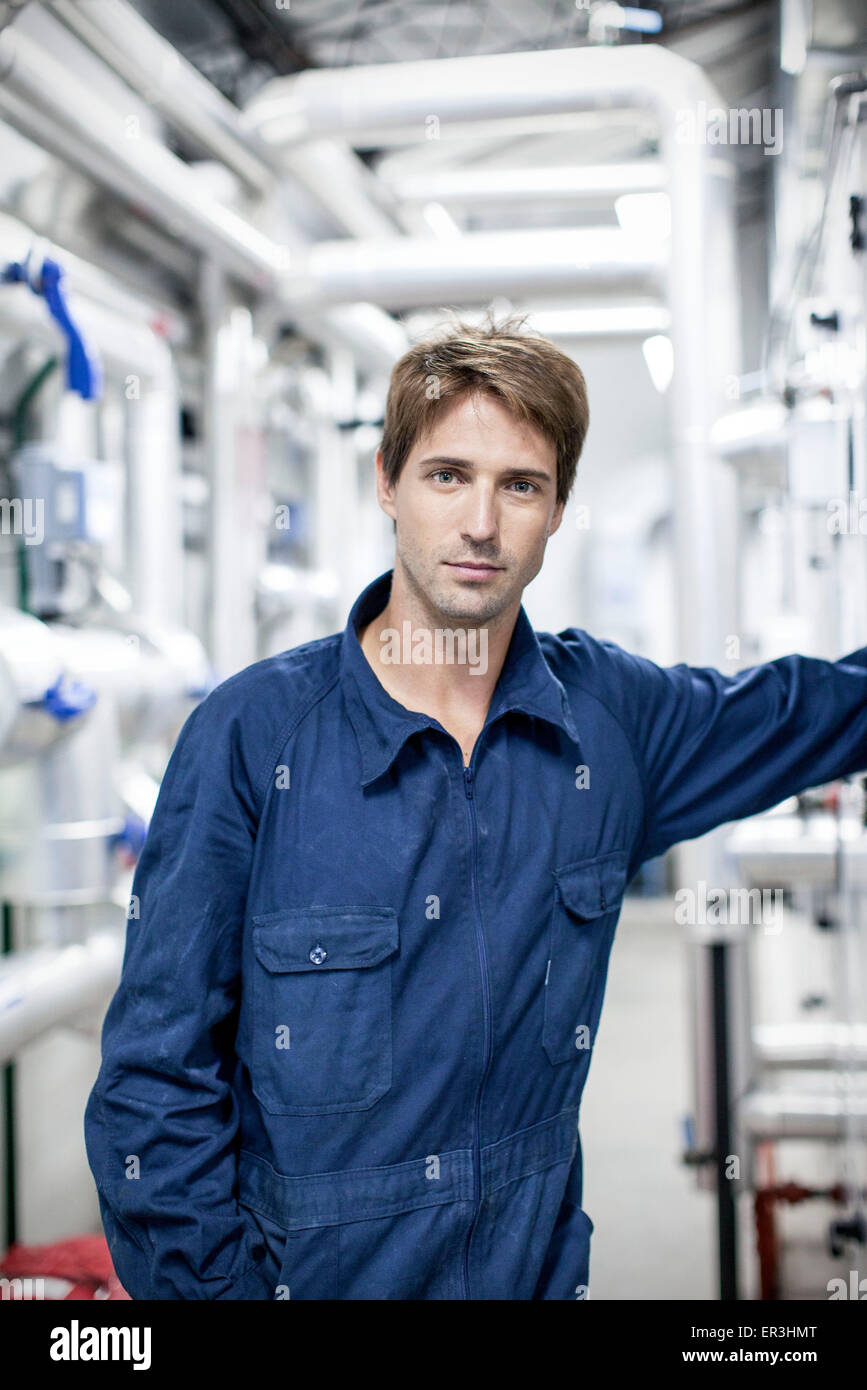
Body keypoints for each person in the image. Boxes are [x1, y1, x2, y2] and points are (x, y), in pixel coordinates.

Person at [84, 311, 867, 1300]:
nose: (482, 524)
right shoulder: (253, 738)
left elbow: (821, 709)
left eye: (521, 485)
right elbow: (154, 1083)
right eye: (448, 475)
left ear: (559, 505)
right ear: (387, 482)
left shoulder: (612, 723)